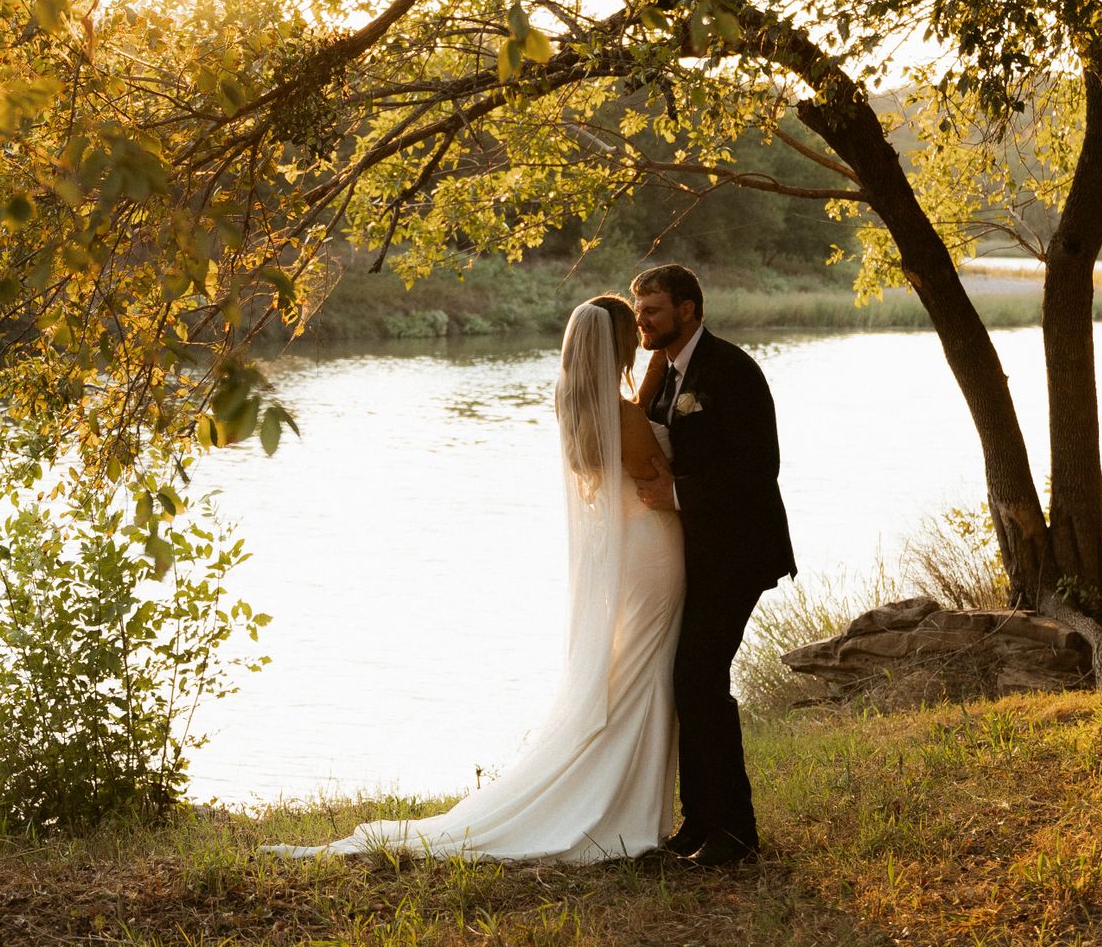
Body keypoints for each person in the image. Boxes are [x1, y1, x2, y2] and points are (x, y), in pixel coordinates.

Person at [269, 294, 685, 863]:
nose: (640, 337)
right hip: (653, 548)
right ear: (616, 346)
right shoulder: (628, 413)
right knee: (644, 675)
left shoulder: (576, 404)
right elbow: (654, 479)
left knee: (629, 673)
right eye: (629, 334)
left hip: (629, 553)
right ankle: (620, 808)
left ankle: (621, 800)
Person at [629, 262, 796, 867]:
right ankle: (700, 824)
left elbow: (758, 468)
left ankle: (736, 833)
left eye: (652, 310)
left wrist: (677, 496)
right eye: (639, 309)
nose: (642, 320)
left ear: (690, 309)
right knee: (690, 683)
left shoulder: (731, 370)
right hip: (695, 554)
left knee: (699, 679)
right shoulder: (668, 374)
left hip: (738, 551)